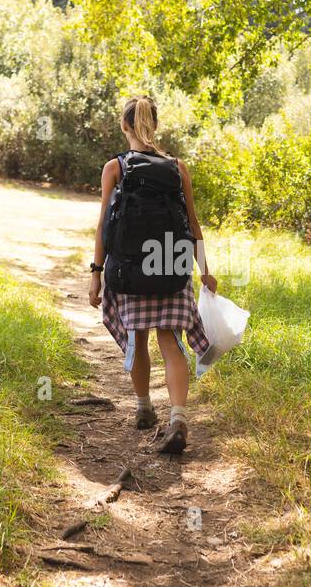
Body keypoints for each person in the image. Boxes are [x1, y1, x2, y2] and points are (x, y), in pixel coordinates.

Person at [88, 95, 217, 454]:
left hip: (130, 270)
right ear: (155, 126)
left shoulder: (115, 167)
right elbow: (192, 223)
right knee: (171, 342)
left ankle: (144, 407)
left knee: (137, 339)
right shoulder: (177, 167)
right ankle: (177, 417)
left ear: (124, 125)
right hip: (170, 265)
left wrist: (96, 273)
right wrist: (204, 269)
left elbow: (103, 225)